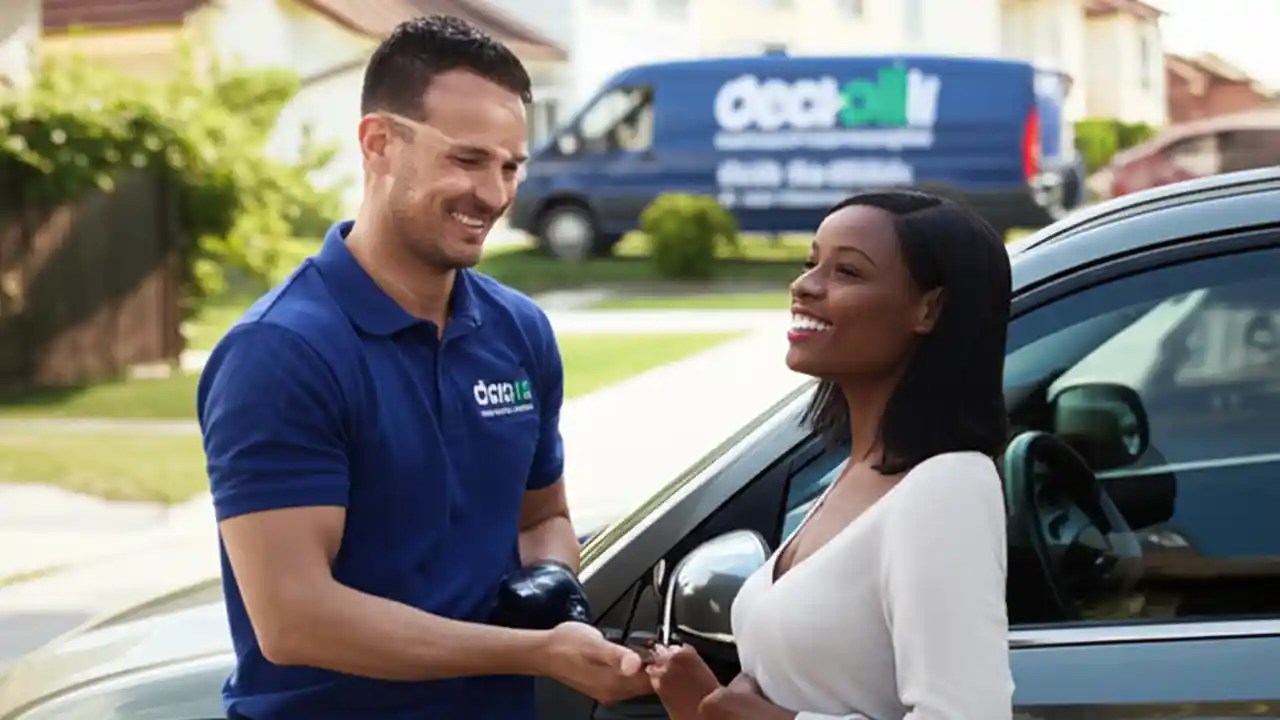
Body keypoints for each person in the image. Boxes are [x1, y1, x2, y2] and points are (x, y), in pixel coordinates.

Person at [196, 14, 649, 720]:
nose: (496, 196)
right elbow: (293, 621)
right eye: (467, 160)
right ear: (379, 143)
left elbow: (544, 518)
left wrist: (552, 582)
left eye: (510, 166)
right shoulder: (281, 352)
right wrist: (531, 652)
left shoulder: (518, 330)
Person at [645, 190, 1016, 720]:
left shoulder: (946, 487)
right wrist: (707, 705)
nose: (804, 286)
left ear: (928, 308)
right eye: (810, 262)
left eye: (847, 272)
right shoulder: (858, 470)